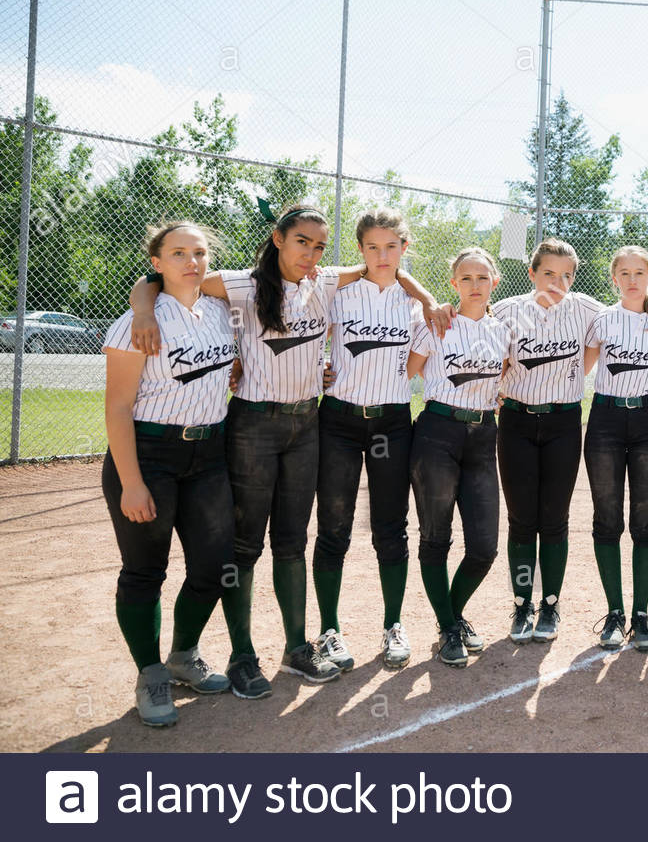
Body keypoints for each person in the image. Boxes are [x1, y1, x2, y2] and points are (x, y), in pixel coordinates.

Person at [128, 202, 438, 697]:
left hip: (306, 423)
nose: (311, 253)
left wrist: (422, 294)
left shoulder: (327, 282)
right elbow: (165, 279)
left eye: (319, 246)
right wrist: (143, 308)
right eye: (301, 242)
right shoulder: (242, 285)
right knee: (246, 544)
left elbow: (389, 268)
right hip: (253, 424)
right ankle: (242, 656)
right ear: (277, 239)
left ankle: (297, 649)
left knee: (292, 540)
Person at [102, 221, 237, 726]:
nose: (192, 261)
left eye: (199, 252)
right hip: (150, 453)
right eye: (178, 253)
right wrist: (131, 482)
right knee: (145, 571)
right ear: (156, 264)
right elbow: (117, 408)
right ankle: (150, 671)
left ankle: (183, 655)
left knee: (213, 565)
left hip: (208, 456)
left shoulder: (221, 313)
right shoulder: (136, 323)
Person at [312, 208, 421, 673]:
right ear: (360, 250)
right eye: (372, 247)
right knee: (334, 525)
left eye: (391, 246)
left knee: (390, 527)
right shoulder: (337, 292)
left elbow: (424, 361)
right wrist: (316, 366)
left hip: (392, 422)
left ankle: (393, 624)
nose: (382, 255)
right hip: (338, 419)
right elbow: (299, 334)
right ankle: (329, 630)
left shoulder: (417, 304)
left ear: (404, 248)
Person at [492, 238, 605, 644]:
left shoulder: (587, 308)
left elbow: (633, 307)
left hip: (563, 422)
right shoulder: (505, 310)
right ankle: (523, 604)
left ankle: (550, 604)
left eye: (566, 275)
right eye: (548, 274)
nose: (558, 282)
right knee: (522, 520)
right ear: (531, 273)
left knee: (554, 519)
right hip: (518, 422)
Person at [408, 247, 510, 668]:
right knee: (436, 538)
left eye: (482, 278)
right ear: (453, 284)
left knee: (484, 547)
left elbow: (500, 377)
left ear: (495, 283)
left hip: (483, 436)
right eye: (465, 278)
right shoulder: (435, 324)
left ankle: (450, 614)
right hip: (437, 433)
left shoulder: (503, 331)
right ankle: (450, 625)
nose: (474, 285)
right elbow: (406, 373)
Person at [583, 246, 648, 652]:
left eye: (640, 272)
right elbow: (580, 370)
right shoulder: (601, 320)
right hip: (604, 419)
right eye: (624, 272)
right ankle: (615, 612)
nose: (632, 279)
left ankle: (641, 613)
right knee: (607, 517)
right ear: (614, 279)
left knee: (645, 516)